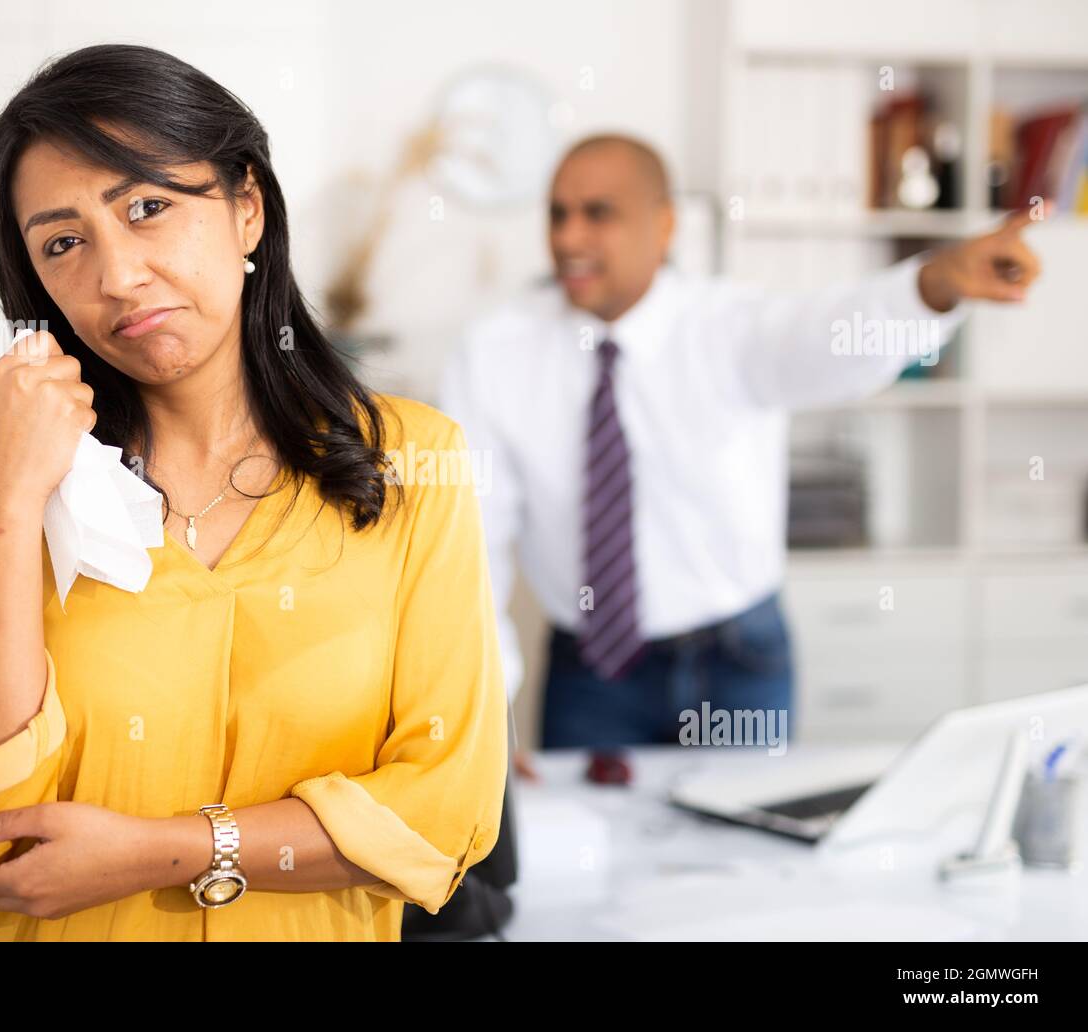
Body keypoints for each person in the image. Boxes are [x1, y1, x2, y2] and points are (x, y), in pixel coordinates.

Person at [0, 43, 506, 941]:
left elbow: (441, 815)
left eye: (148, 208)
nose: (117, 276)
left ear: (246, 207)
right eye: (64, 243)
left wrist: (159, 851)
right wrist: (10, 497)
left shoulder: (415, 464)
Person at [439, 133, 1043, 783]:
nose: (568, 237)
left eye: (598, 212)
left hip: (736, 662)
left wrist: (933, 286)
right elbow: (472, 544)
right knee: (581, 866)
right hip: (590, 673)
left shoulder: (729, 325)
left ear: (663, 225)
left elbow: (828, 338)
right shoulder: (493, 352)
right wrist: (482, 714)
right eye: (558, 213)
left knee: (745, 865)